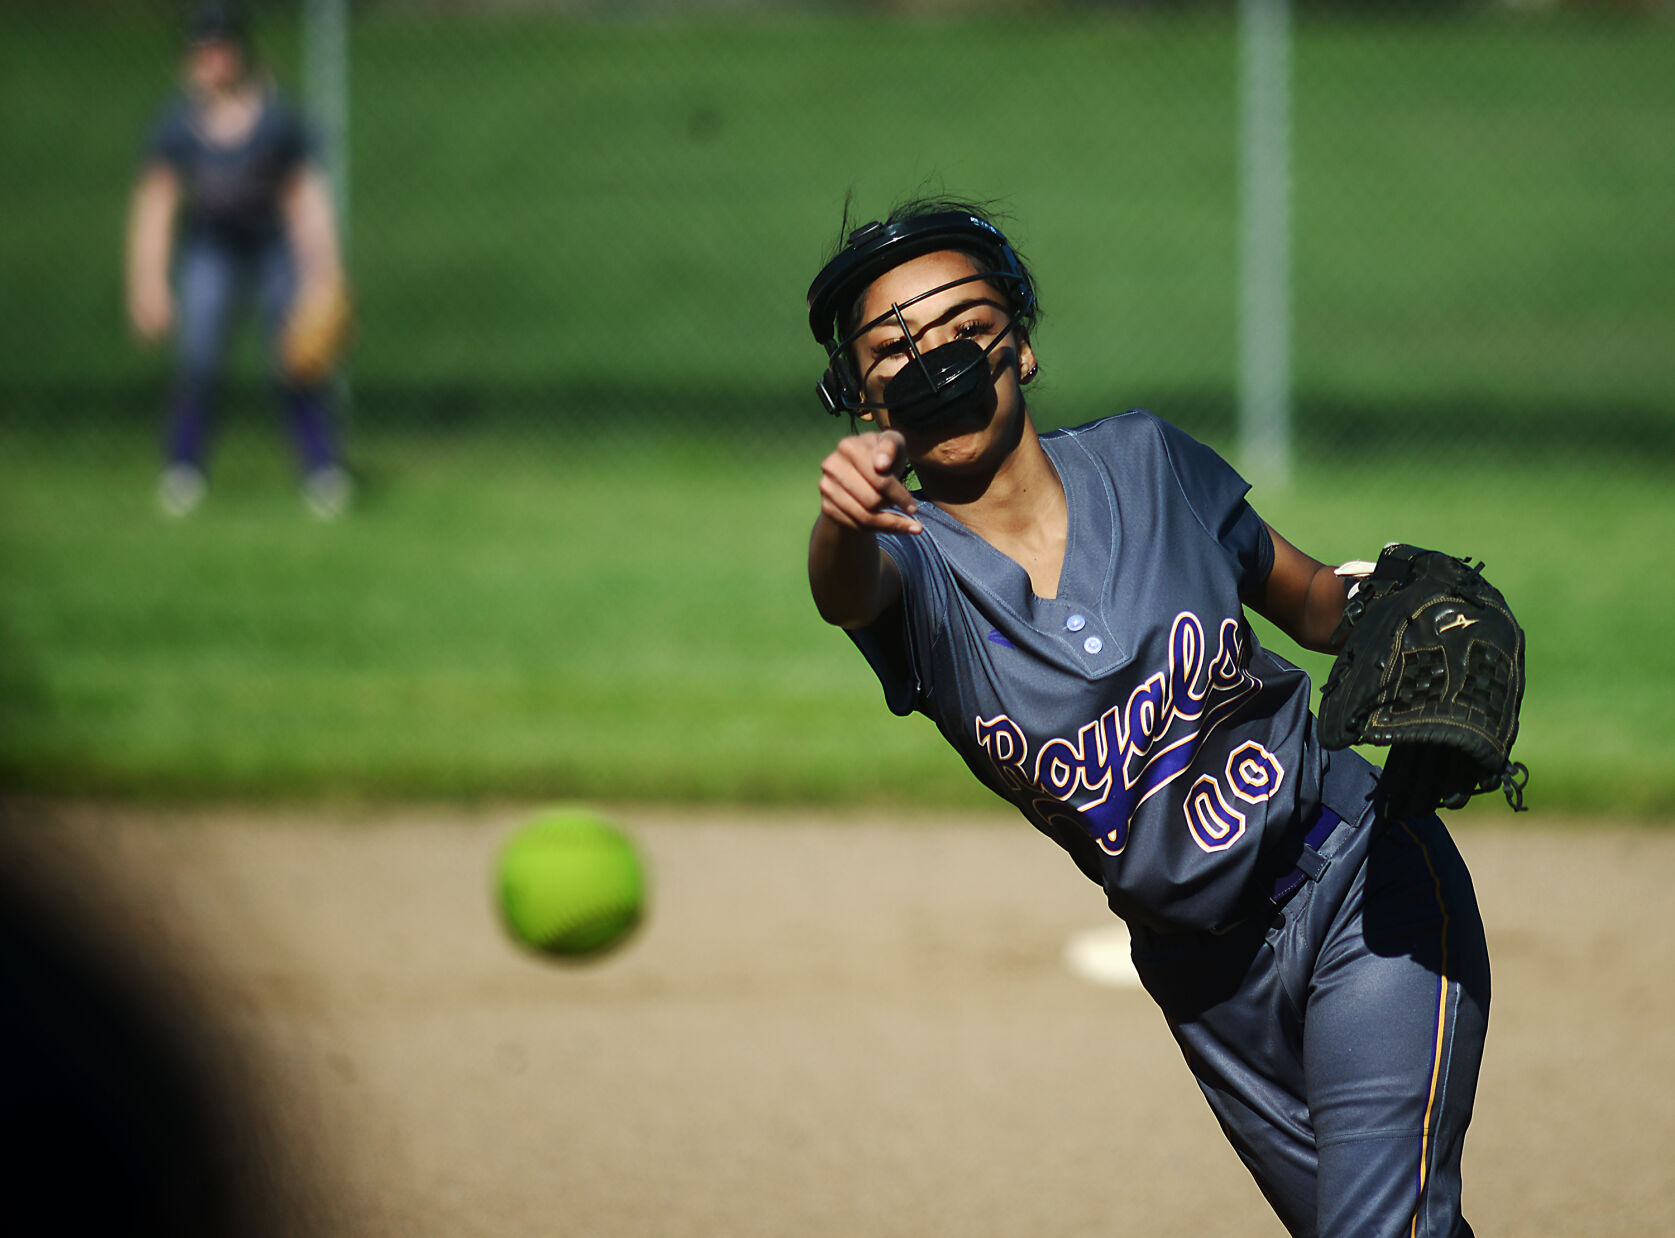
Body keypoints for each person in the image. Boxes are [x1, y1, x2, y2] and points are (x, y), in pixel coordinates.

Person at [805, 198, 1490, 1238]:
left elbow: (1305, 599)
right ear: (861, 399)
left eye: (962, 326)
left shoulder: (1146, 462)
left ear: (1020, 345)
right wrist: (840, 516)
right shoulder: (911, 564)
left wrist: (1389, 607)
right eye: (893, 347)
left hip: (1360, 881)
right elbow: (842, 589)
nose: (934, 360)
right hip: (1205, 981)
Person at [125, 4, 351, 519]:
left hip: (274, 247)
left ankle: (322, 469)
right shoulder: (177, 124)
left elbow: (305, 200)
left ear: (239, 51)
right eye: (202, 51)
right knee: (200, 357)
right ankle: (183, 468)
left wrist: (324, 272)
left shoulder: (275, 117)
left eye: (221, 48)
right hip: (211, 248)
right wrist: (148, 283)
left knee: (298, 357)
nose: (213, 60)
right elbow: (155, 204)